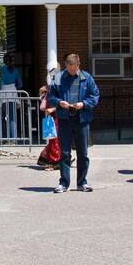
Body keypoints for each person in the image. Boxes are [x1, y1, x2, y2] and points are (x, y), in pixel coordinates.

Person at [46, 53, 100, 193]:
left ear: (78, 65)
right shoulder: (58, 77)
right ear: (66, 66)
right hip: (65, 119)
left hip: (81, 119)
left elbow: (95, 95)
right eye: (69, 68)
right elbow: (50, 96)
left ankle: (82, 182)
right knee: (64, 152)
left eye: (74, 68)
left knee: (83, 153)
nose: (72, 71)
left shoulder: (86, 78)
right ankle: (64, 183)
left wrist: (84, 104)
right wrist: (59, 102)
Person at [0, 53, 23, 139]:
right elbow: (20, 84)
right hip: (13, 94)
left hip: (3, 94)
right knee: (12, 118)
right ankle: (13, 139)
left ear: (4, 60)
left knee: (0, 117)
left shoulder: (2, 69)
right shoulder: (16, 70)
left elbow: (1, 82)